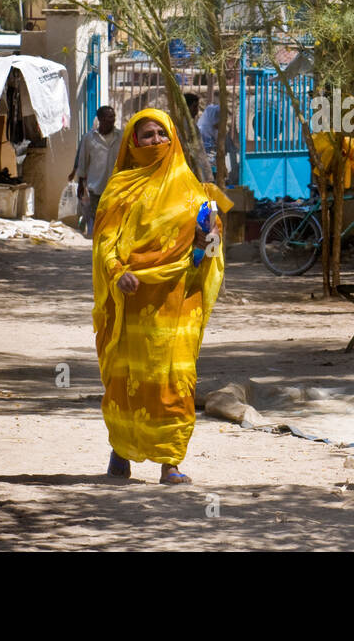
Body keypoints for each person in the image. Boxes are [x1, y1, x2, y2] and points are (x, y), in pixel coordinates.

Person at [92, 109, 225, 484]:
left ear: (172, 140)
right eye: (145, 136)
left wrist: (207, 241)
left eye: (159, 134)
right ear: (132, 144)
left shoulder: (194, 193)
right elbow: (105, 242)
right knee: (127, 378)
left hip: (177, 301)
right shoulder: (119, 191)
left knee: (175, 380)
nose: (153, 142)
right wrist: (118, 273)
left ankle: (170, 462)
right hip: (132, 301)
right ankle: (121, 451)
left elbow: (210, 253)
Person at [70, 106, 121, 239]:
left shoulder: (121, 136)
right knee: (97, 215)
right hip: (96, 186)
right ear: (100, 119)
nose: (111, 120)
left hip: (116, 186)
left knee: (113, 217)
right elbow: (83, 161)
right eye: (108, 117)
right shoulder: (89, 138)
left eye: (113, 117)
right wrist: (81, 183)